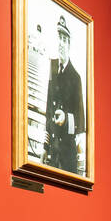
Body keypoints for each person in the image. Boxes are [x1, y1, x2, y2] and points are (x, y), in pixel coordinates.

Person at [43, 14, 86, 173]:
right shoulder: (53, 68)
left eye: (64, 39)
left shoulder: (75, 77)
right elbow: (48, 111)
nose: (60, 43)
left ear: (68, 44)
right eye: (58, 38)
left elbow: (80, 122)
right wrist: (45, 147)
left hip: (67, 156)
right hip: (53, 153)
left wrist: (65, 119)